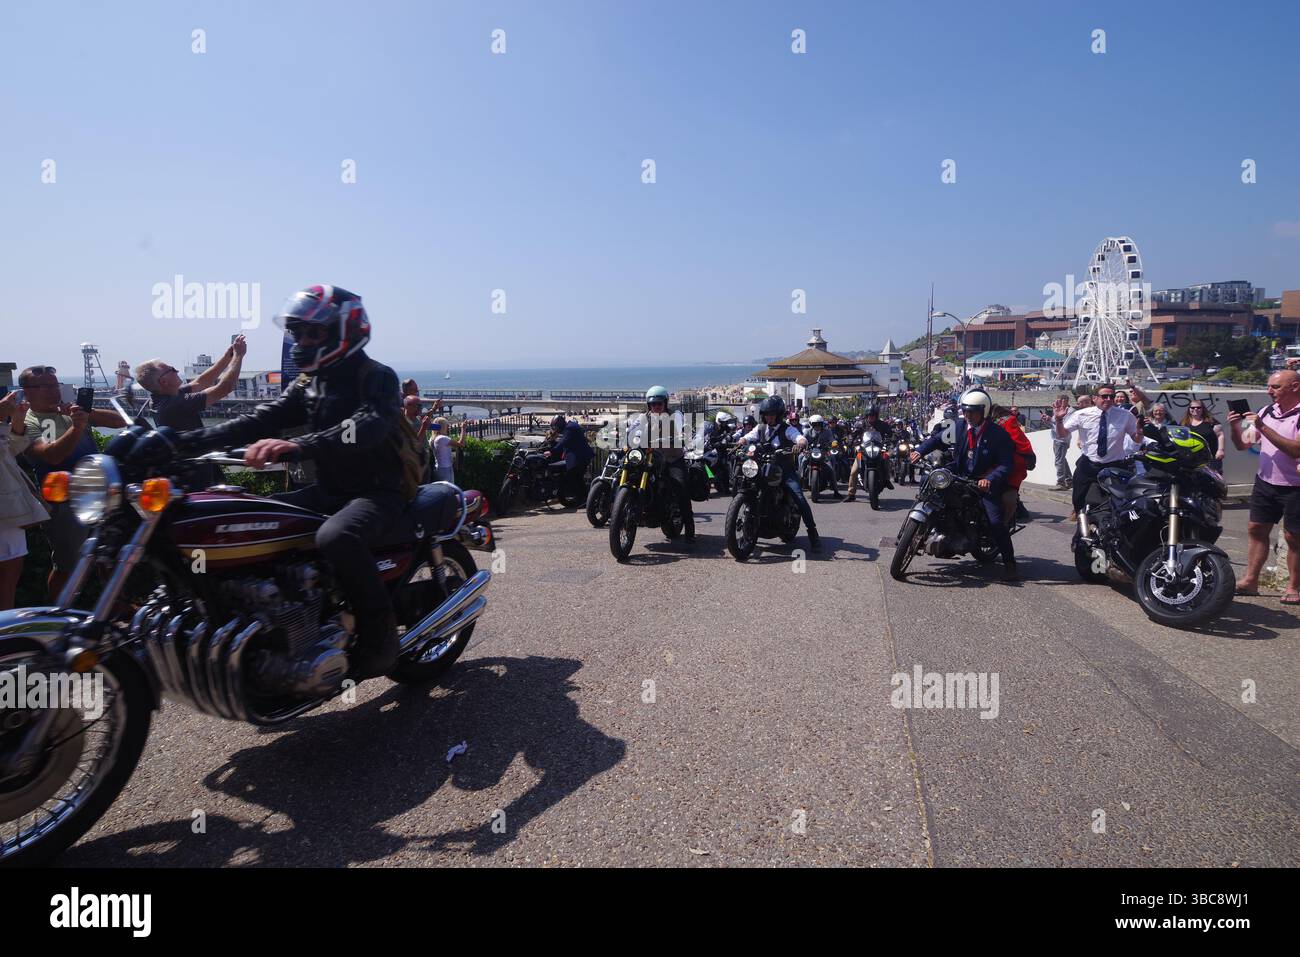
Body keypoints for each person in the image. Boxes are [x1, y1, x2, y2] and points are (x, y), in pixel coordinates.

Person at [136, 285, 413, 679]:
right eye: (296, 333)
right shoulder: (309, 382)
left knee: (337, 538)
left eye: (312, 334)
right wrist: (178, 443)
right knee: (249, 517)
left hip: (378, 491)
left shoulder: (377, 377)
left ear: (344, 332)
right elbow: (260, 419)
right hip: (328, 490)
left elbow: (365, 428)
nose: (301, 342)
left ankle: (380, 638)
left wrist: (297, 445)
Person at [20, 365, 127, 598]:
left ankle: (114, 608)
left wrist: (86, 414)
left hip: (98, 492)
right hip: (65, 500)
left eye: (55, 384)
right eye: (45, 386)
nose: (53, 390)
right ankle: (58, 614)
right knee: (68, 565)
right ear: (26, 391)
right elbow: (52, 456)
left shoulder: (69, 411)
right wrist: (77, 427)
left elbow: (120, 422)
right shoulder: (27, 422)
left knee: (107, 557)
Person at [910, 388, 1018, 579]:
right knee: (931, 480)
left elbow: (1006, 464)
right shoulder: (959, 426)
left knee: (995, 521)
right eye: (965, 410)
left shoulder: (997, 434)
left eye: (972, 411)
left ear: (983, 411)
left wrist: (989, 479)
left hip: (982, 481)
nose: (968, 415)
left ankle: (1009, 563)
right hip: (958, 472)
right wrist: (920, 450)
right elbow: (936, 440)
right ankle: (920, 529)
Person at [1228, 369, 1300, 603]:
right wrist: (1235, 427)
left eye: (1275, 387)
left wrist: (1263, 427)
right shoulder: (1267, 412)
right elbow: (1243, 445)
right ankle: (1250, 580)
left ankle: (1292, 587)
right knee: (1256, 529)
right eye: (1269, 386)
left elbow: (1295, 450)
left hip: (1295, 486)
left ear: (1295, 387)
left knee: (1293, 537)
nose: (1269, 391)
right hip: (1266, 482)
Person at [733, 395, 819, 549]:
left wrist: (800, 443)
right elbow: (748, 436)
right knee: (743, 480)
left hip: (783, 469)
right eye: (766, 414)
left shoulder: (788, 429)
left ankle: (812, 532)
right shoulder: (760, 428)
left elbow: (800, 437)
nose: (769, 417)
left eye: (772, 414)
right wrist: (741, 441)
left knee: (799, 496)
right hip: (761, 467)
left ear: (779, 415)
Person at [1054, 385, 1139, 520]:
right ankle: (1082, 529)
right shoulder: (1081, 414)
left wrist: (1139, 433)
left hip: (1115, 465)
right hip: (1089, 464)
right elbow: (1062, 434)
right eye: (1104, 396)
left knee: (1119, 503)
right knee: (1078, 501)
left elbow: (1136, 438)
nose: (1108, 399)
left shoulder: (1125, 415)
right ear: (1095, 398)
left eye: (1111, 396)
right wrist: (1058, 420)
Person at [136, 335, 246, 432]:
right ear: (164, 382)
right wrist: (238, 356)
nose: (177, 371)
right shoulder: (172, 404)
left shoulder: (164, 396)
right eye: (172, 369)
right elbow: (224, 388)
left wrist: (228, 356)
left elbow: (200, 382)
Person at [0, 391, 48, 610]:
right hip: (6, 512)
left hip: (8, 511)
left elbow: (11, 449)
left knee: (8, 584)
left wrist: (17, 420)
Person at [630, 386, 694, 541]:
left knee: (680, 487)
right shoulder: (643, 417)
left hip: (672, 458)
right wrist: (625, 434)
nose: (656, 407)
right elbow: (632, 428)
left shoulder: (675, 416)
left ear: (665, 403)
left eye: (659, 403)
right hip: (651, 458)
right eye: (653, 404)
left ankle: (690, 530)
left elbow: (685, 428)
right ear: (649, 405)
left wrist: (682, 437)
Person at [993, 404, 1033, 527]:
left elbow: (1019, 443)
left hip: (1012, 464)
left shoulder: (1007, 421)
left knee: (1008, 496)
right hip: (999, 463)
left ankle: (1003, 526)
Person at [846, 406, 894, 503]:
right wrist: (852, 443)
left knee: (887, 459)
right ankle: (851, 494)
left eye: (873, 415)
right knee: (853, 471)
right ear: (866, 415)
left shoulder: (883, 425)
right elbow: (853, 435)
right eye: (869, 415)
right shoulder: (861, 424)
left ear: (876, 416)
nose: (871, 417)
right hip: (863, 450)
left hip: (878, 449)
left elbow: (891, 434)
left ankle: (887, 480)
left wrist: (890, 442)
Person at [543, 413, 594, 493]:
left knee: (574, 476)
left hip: (581, 456)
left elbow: (563, 441)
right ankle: (582, 497)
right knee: (576, 476)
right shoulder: (570, 426)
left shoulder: (569, 428)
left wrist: (551, 451)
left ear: (559, 425)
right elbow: (566, 441)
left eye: (556, 427)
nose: (556, 429)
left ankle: (583, 497)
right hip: (581, 455)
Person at [801, 414, 840, 498]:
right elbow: (803, 440)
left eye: (819, 424)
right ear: (811, 424)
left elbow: (832, 439)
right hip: (810, 451)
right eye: (815, 424)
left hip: (824, 452)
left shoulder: (827, 431)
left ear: (822, 424)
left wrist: (834, 443)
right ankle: (802, 479)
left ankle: (836, 490)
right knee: (802, 459)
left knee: (831, 466)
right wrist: (801, 445)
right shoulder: (807, 431)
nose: (817, 426)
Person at [1181, 401, 1225, 466]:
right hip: (1191, 459)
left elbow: (1220, 435)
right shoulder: (1184, 423)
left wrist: (1221, 450)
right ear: (1189, 409)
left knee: (1212, 476)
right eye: (1192, 407)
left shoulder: (1211, 421)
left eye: (1198, 407)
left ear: (1203, 409)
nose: (1195, 409)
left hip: (1211, 458)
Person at [1042, 397, 1072, 490]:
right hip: (1056, 439)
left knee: (1059, 461)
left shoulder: (1070, 411)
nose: (1059, 403)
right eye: (1058, 401)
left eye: (1062, 401)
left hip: (1062, 440)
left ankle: (1061, 483)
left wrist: (1052, 419)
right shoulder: (1058, 410)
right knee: (1062, 460)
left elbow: (1065, 425)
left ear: (1066, 401)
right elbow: (1053, 426)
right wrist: (1048, 420)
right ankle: (1069, 480)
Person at [429, 416, 466, 483]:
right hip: (446, 468)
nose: (448, 427)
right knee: (449, 490)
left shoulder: (432, 439)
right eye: (446, 425)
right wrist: (463, 428)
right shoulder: (442, 438)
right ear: (443, 427)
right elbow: (461, 444)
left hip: (439, 468)